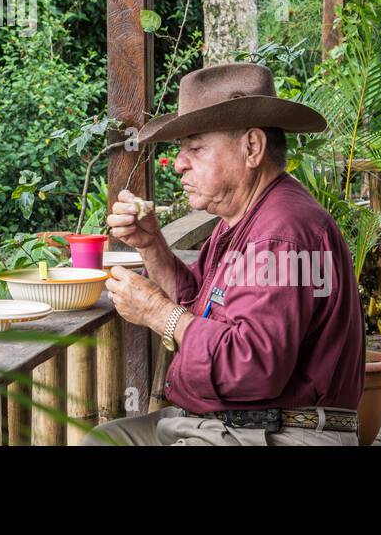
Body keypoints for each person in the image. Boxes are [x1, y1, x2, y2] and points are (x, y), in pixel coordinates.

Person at [83, 62, 364, 446]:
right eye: (182, 150)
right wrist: (152, 246)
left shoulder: (281, 234)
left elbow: (252, 368)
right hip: (229, 422)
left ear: (251, 148)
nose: (179, 163)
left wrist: (159, 314)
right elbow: (198, 307)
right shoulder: (239, 220)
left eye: (196, 148)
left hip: (282, 431)